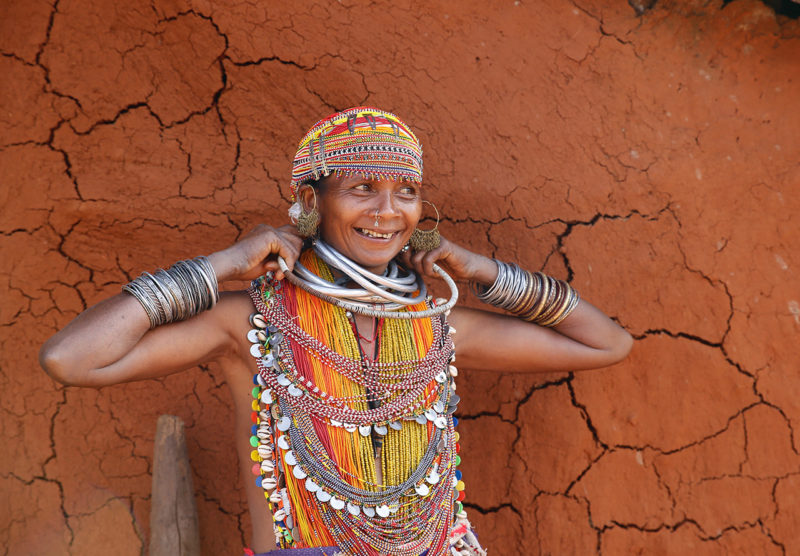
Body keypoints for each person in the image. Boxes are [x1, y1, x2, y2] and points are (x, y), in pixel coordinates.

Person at [39, 106, 633, 555]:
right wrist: (224, 265)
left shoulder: (435, 326)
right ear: (309, 201)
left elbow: (607, 343)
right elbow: (71, 359)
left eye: (407, 193)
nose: (387, 212)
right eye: (360, 189)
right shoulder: (252, 321)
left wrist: (482, 271)